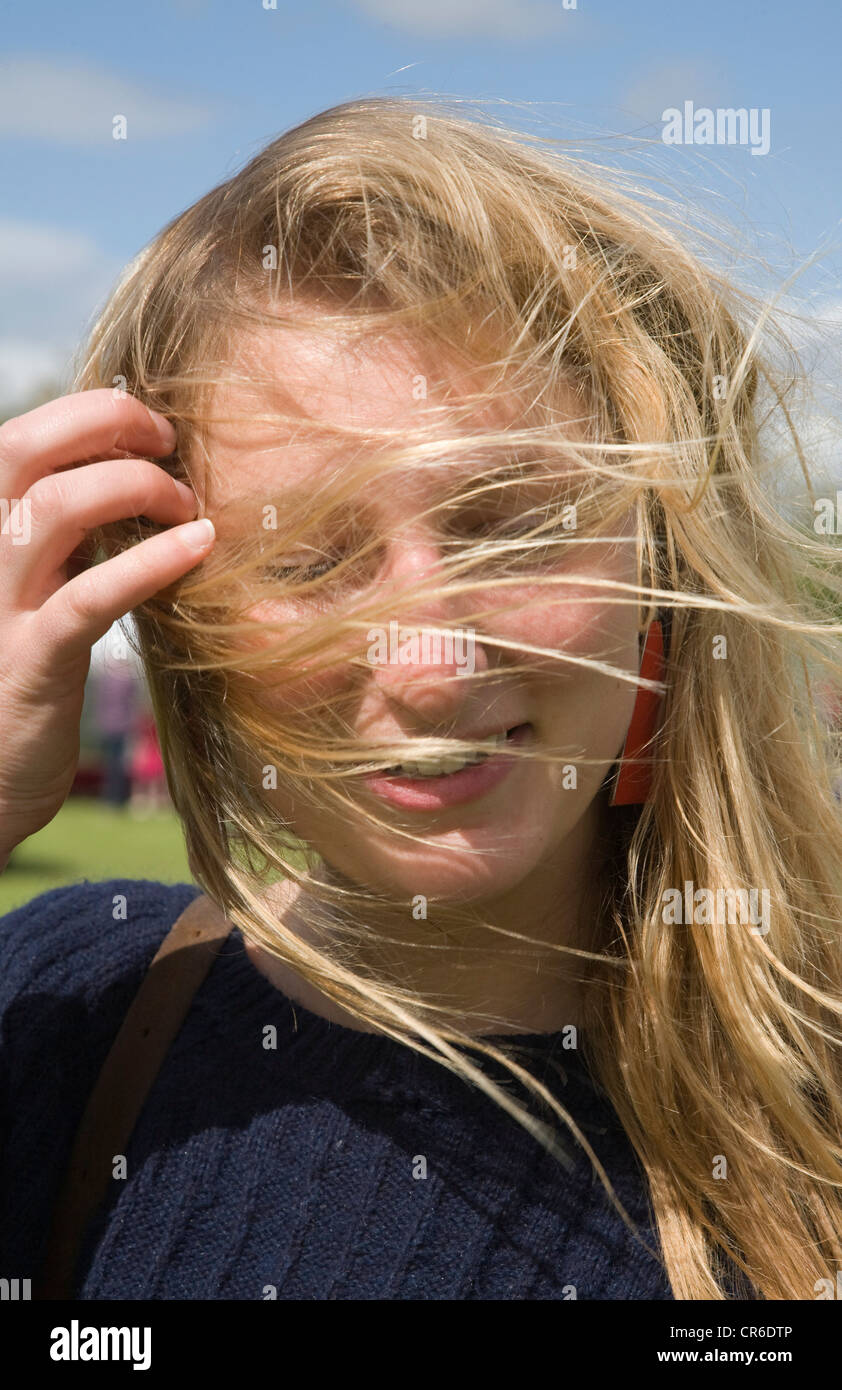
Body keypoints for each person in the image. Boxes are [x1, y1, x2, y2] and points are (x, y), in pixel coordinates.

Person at [0, 96, 840, 1302]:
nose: (428, 663)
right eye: (307, 559)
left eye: (510, 531)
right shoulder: (68, 1014)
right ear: (177, 614)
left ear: (661, 552)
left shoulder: (807, 1124)